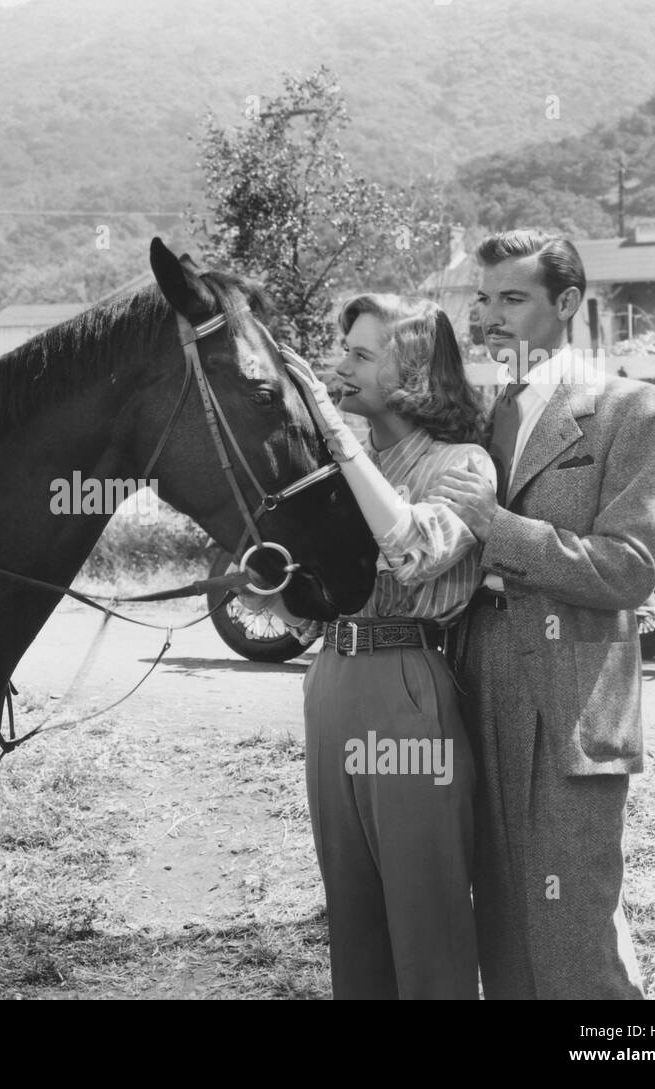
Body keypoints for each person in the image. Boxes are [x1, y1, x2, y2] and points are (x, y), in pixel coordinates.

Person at [428, 229, 655, 999]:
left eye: (513, 298)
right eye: (485, 297)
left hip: (574, 691)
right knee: (501, 919)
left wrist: (496, 528)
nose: (492, 315)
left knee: (574, 929)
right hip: (476, 673)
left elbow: (632, 569)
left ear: (566, 304)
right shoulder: (476, 415)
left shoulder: (635, 410)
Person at [279, 294, 495, 999]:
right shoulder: (337, 469)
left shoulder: (462, 463)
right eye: (343, 351)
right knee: (353, 920)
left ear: (416, 373)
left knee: (425, 919)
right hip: (330, 685)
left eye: (360, 355)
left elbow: (413, 551)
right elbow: (308, 616)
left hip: (406, 683)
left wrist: (338, 441)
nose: (339, 368)